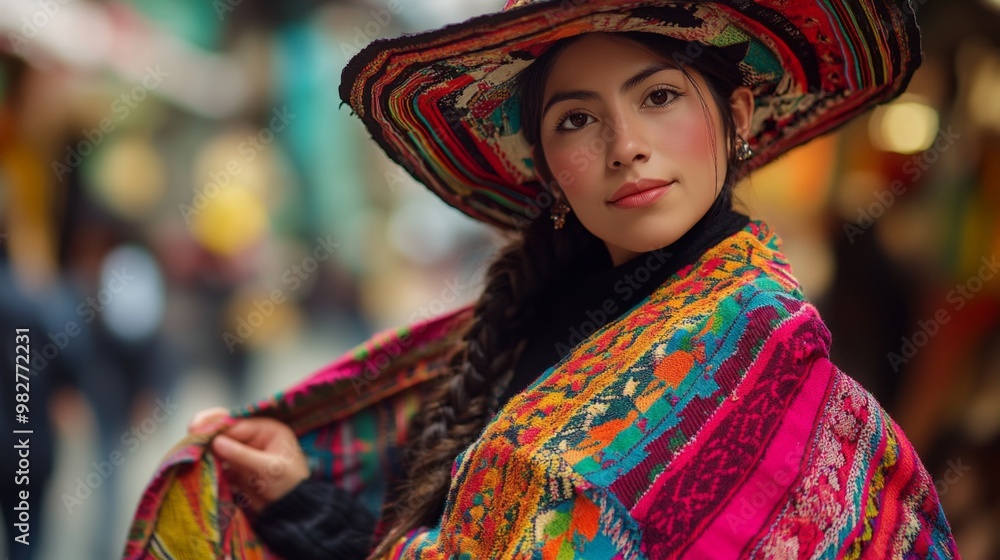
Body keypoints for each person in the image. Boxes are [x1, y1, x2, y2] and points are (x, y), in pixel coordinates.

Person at [126, 0, 960, 558]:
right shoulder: (520, 328)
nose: (625, 144)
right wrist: (299, 498)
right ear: (549, 169)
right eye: (578, 119)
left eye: (660, 95)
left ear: (736, 117)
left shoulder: (775, 379)